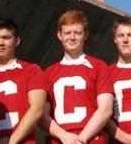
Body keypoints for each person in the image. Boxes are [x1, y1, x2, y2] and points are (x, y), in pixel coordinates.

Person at [42, 10, 114, 144]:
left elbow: (105, 109)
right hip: (59, 141)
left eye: (77, 33)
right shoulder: (48, 73)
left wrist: (81, 139)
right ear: (59, 35)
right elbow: (42, 115)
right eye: (67, 33)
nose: (72, 37)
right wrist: (64, 136)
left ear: (85, 35)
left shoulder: (99, 67)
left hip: (92, 140)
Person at [0, 17, 47, 144]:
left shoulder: (31, 70)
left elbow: (37, 109)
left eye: (6, 38)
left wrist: (12, 141)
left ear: (17, 41)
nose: (0, 43)